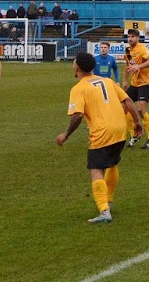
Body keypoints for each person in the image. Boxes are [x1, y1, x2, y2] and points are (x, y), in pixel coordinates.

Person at [56, 50, 144, 223]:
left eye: (74, 63)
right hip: (120, 129)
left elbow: (77, 115)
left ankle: (104, 211)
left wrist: (66, 135)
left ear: (77, 67)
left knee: (96, 170)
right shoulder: (108, 81)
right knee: (112, 163)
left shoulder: (79, 88)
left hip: (102, 132)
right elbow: (127, 101)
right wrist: (136, 122)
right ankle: (108, 201)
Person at [124, 30, 149, 148]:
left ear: (138, 38)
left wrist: (139, 66)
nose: (130, 39)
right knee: (123, 107)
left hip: (145, 83)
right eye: (128, 37)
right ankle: (134, 135)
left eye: (132, 37)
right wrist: (125, 80)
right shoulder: (127, 50)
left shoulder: (142, 49)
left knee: (140, 109)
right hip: (134, 83)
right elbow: (128, 65)